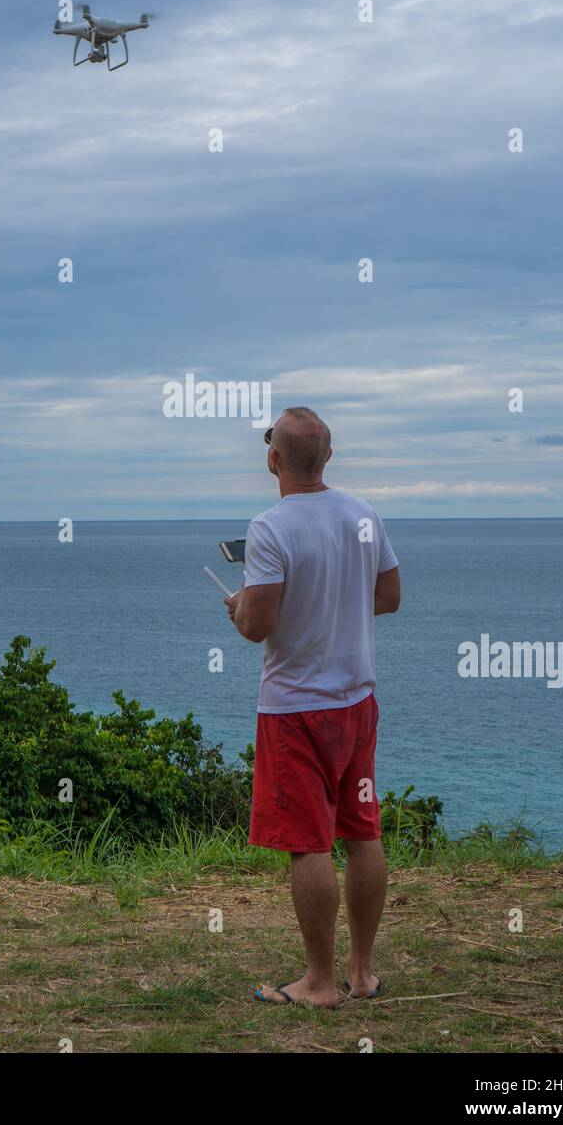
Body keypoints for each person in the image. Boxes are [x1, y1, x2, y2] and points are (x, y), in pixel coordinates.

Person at [224, 406, 401, 1009]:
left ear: (273, 458)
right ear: (329, 455)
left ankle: (320, 984)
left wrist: (240, 607)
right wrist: (336, 609)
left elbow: (259, 625)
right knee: (361, 830)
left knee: (308, 843)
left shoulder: (270, 528)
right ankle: (362, 972)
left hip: (295, 710)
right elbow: (389, 596)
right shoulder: (363, 514)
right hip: (357, 702)